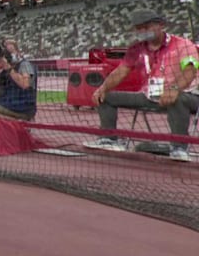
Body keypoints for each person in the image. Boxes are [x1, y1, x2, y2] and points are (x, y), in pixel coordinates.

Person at [84, 9, 198, 162]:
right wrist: (103, 88)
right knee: (106, 97)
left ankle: (179, 147)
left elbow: (190, 70)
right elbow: (121, 71)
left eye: (147, 26)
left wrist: (174, 89)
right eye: (139, 28)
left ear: (161, 25)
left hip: (188, 96)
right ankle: (109, 139)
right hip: (150, 96)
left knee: (178, 99)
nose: (142, 31)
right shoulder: (136, 49)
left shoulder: (183, 44)